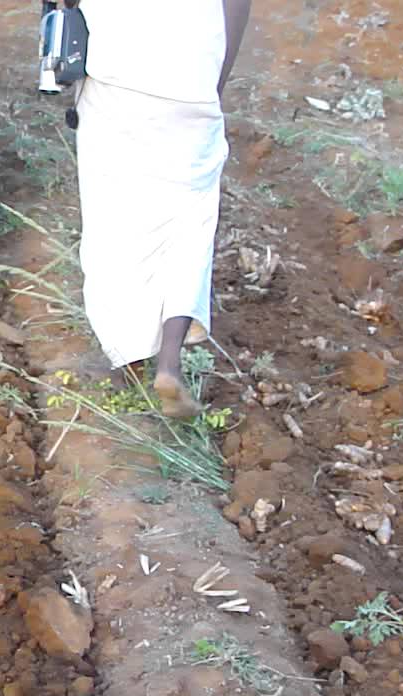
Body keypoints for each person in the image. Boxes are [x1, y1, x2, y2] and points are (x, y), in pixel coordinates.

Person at [72, 0, 252, 418]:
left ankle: (129, 364)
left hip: (113, 72)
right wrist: (214, 83)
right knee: (190, 217)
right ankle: (169, 363)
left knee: (113, 217)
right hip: (190, 81)